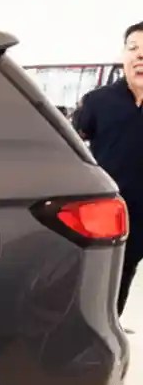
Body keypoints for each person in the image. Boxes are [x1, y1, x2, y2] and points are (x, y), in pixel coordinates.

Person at [74, 21, 143, 315]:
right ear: (123, 55)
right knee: (98, 283)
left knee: (122, 280)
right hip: (106, 213)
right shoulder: (99, 102)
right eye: (134, 48)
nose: (140, 56)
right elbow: (71, 145)